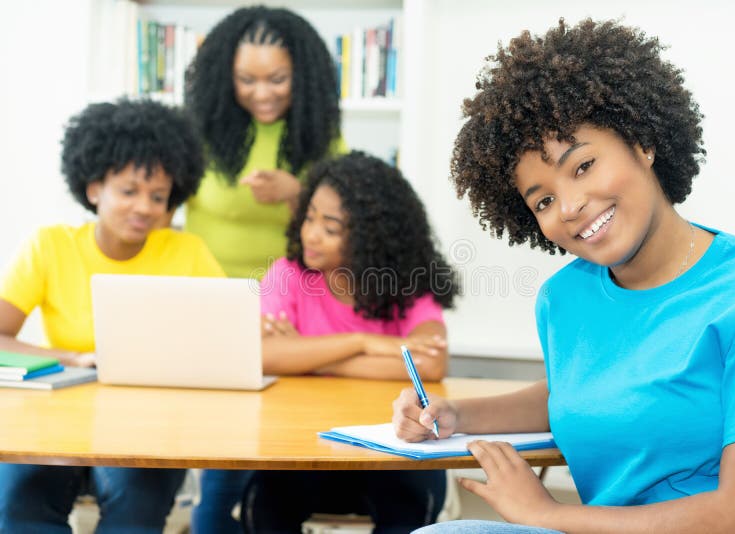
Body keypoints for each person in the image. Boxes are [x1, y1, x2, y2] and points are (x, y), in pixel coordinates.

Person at [392, 18, 735, 534]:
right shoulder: (563, 299)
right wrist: (453, 414)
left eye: (582, 166)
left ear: (643, 142)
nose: (570, 206)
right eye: (541, 199)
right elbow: (585, 390)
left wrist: (551, 516)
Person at [0, 99, 224, 533]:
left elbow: (225, 340)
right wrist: (70, 356)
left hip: (150, 421)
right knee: (19, 509)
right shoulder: (51, 246)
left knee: (135, 517)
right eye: (129, 190)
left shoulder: (188, 253)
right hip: (57, 416)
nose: (144, 207)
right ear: (94, 188)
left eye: (158, 196)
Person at [239, 151, 458, 533]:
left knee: (414, 501)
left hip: (390, 451)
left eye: (331, 227)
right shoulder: (288, 275)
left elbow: (430, 363)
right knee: (263, 505)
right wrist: (363, 341)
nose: (310, 234)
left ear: (371, 237)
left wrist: (307, 355)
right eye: (309, 217)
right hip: (301, 447)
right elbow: (260, 355)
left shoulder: (409, 284)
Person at [183, 5, 345, 280]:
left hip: (292, 298)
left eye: (277, 79)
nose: (262, 94)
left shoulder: (322, 137)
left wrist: (297, 194)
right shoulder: (198, 133)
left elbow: (343, 230)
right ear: (225, 77)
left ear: (303, 77)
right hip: (206, 291)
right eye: (246, 80)